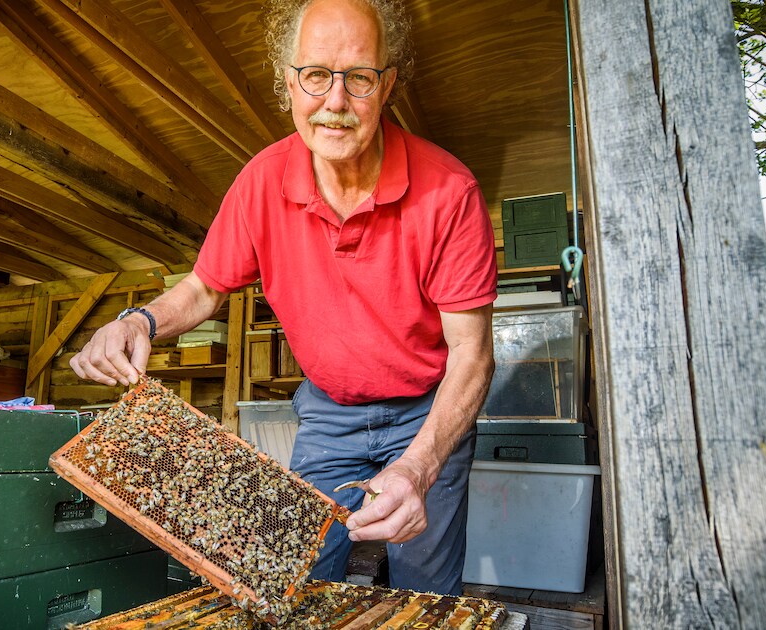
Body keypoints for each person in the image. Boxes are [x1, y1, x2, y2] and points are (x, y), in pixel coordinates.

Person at [70, 0, 496, 595]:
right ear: (288, 83)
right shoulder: (260, 181)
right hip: (326, 411)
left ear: (388, 84)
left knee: (421, 592)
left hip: (428, 412)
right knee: (291, 578)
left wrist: (421, 468)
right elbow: (202, 288)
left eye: (359, 77)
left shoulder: (450, 191)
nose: (336, 102)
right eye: (316, 75)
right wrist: (140, 318)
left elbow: (472, 353)